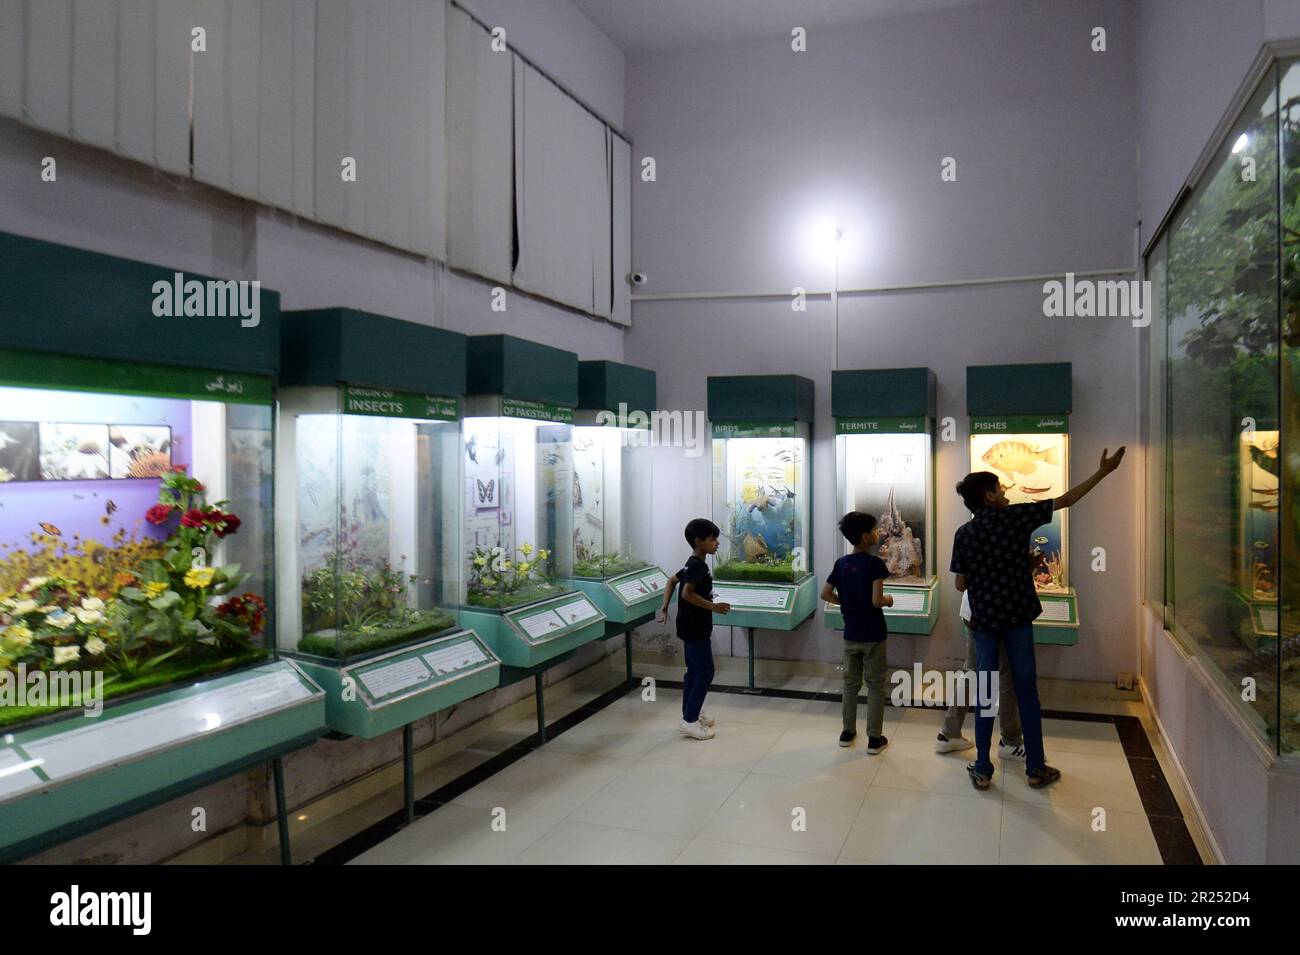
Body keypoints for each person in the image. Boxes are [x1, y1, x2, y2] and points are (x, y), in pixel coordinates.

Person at [952, 446, 1124, 791]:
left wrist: (985, 576)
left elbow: (960, 584)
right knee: (1027, 690)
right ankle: (1034, 768)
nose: (1005, 492)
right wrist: (1103, 472)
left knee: (985, 692)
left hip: (984, 622)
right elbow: (1066, 500)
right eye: (1000, 488)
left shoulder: (964, 534)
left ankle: (983, 768)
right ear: (988, 495)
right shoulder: (1018, 517)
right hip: (1018, 618)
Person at [821, 511, 893, 753]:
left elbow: (825, 593)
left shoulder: (841, 563)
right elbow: (876, 600)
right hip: (873, 634)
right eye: (874, 530)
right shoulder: (875, 565)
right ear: (865, 537)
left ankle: (847, 731)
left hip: (850, 633)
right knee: (875, 685)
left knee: (850, 684)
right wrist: (889, 600)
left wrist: (845, 602)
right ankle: (874, 738)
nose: (877, 534)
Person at [656, 518, 731, 740]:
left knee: (694, 672)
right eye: (713, 539)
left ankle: (692, 713)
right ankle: (689, 721)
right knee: (705, 671)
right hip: (696, 627)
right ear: (699, 541)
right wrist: (714, 607)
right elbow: (687, 593)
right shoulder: (698, 565)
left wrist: (664, 606)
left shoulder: (692, 563)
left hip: (689, 625)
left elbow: (671, 581)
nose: (717, 543)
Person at [935, 586, 1026, 761]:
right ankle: (1010, 741)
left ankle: (948, 733)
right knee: (1007, 674)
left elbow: (960, 582)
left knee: (972, 670)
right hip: (1000, 611)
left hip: (973, 608)